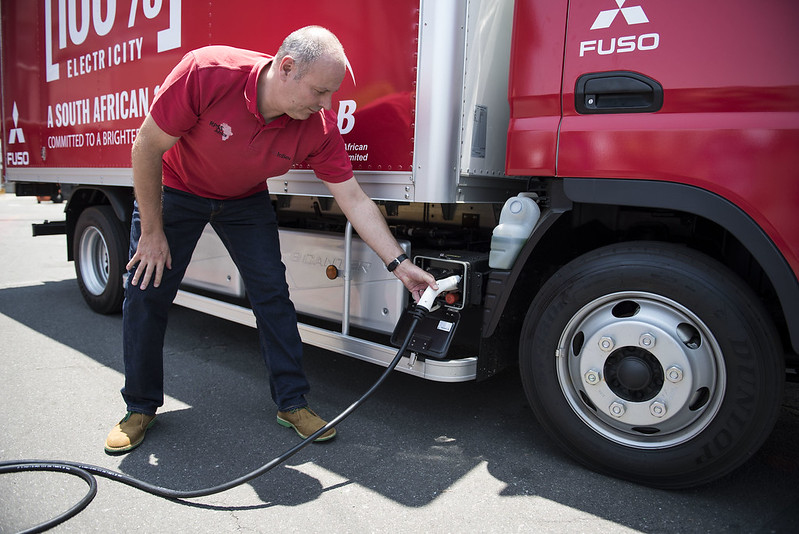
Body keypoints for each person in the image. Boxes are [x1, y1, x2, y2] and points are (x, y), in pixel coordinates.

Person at [105, 26, 437, 454]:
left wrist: (400, 265)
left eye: (331, 94)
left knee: (273, 297)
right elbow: (146, 147)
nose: (326, 104)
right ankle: (139, 407)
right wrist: (152, 233)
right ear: (287, 68)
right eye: (320, 91)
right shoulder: (208, 72)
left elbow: (354, 199)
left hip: (244, 200)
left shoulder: (317, 127)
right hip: (177, 189)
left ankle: (292, 402)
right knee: (146, 292)